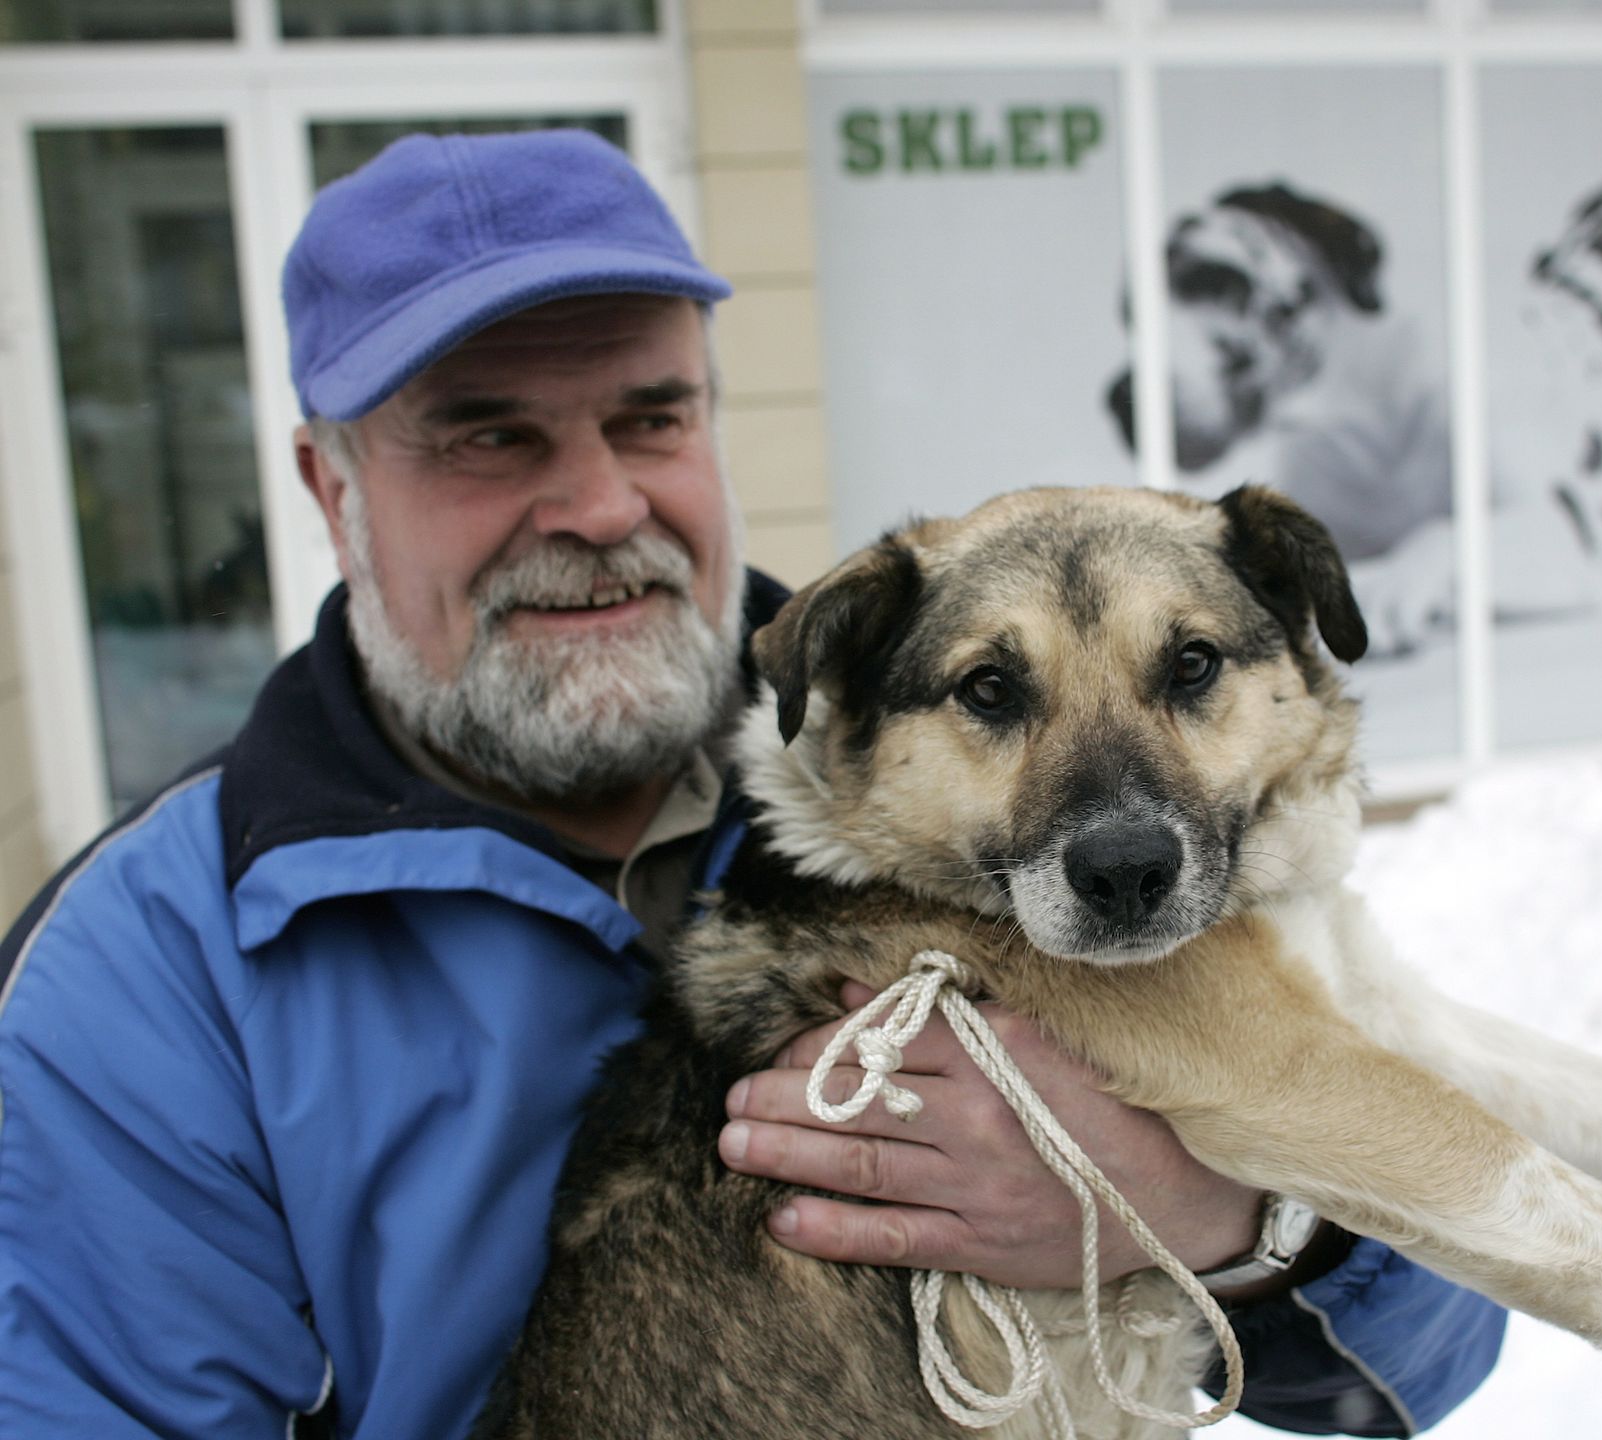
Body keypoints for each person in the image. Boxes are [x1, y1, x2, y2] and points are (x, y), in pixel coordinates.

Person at [0, 130, 1505, 1437]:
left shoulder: (1005, 791)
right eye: (488, 438)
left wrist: (1217, 1218)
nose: (601, 506)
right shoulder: (143, 984)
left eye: (650, 417)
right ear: (332, 489)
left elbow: (1432, 1355)